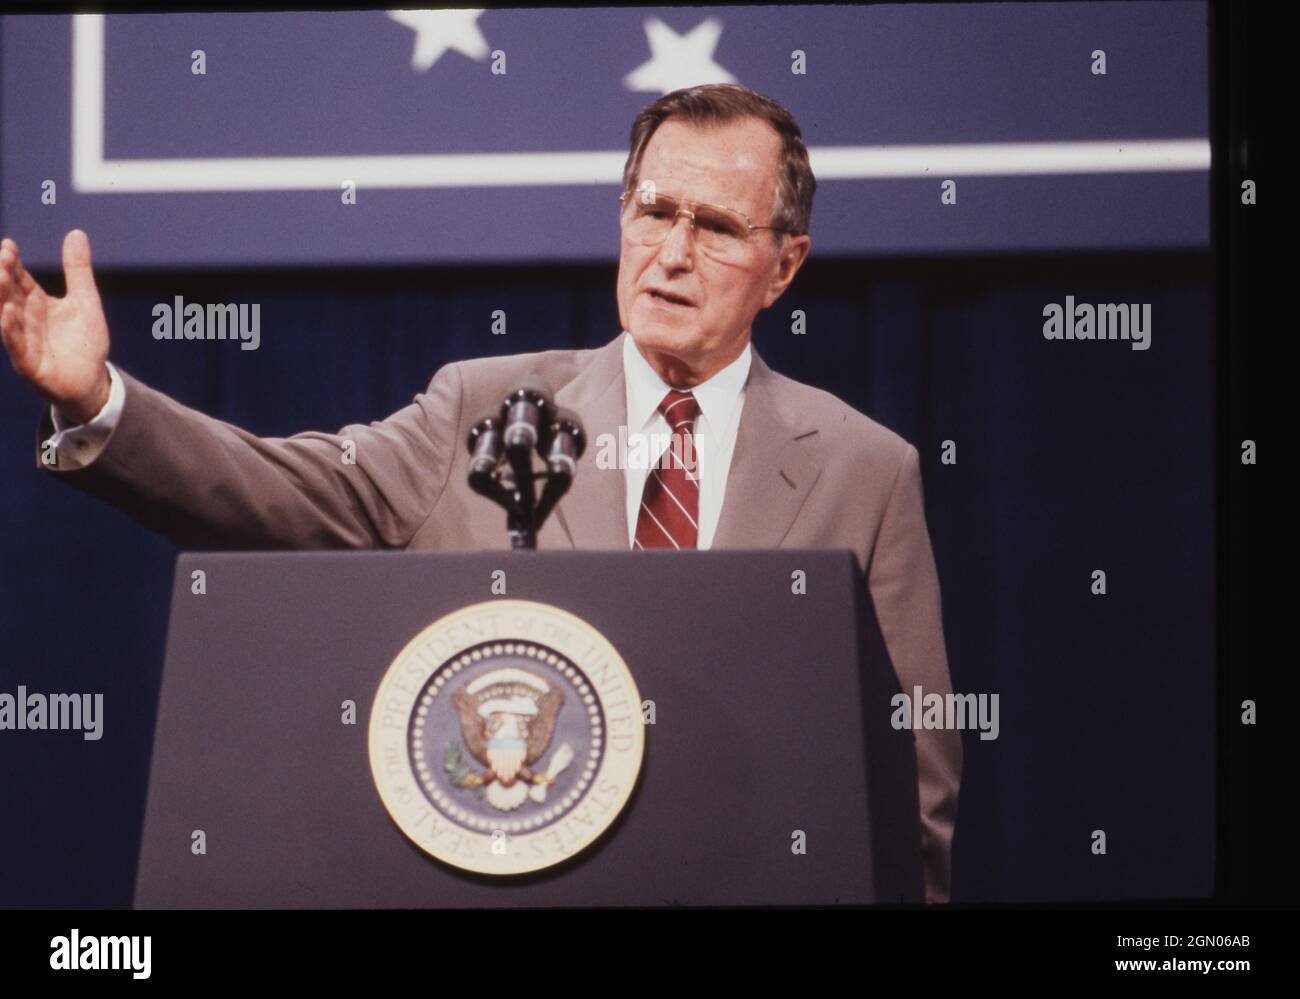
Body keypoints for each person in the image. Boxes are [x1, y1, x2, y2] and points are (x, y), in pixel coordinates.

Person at [0, 83, 961, 902]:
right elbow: (279, 490)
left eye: (715, 228)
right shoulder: (485, 409)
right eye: (654, 210)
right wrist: (99, 400)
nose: (672, 251)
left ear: (784, 266)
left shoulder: (863, 468)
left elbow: (909, 793)